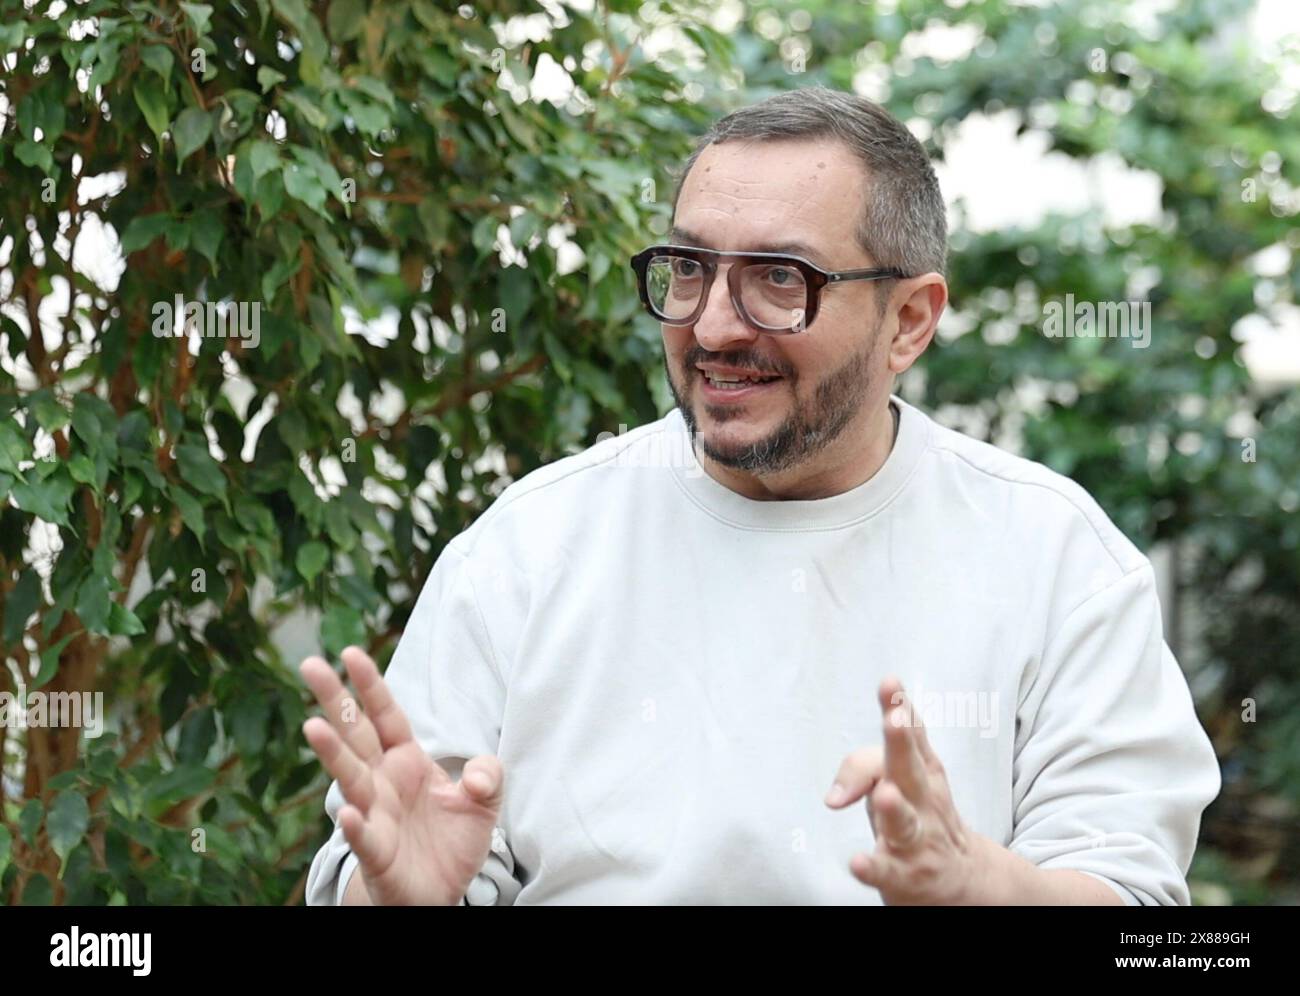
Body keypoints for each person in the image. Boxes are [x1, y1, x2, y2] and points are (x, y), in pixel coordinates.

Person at [301, 85, 1221, 905]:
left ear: (909, 320)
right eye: (691, 267)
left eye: (781, 278)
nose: (712, 324)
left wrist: (981, 888)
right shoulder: (530, 547)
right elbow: (412, 852)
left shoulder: (1055, 559)